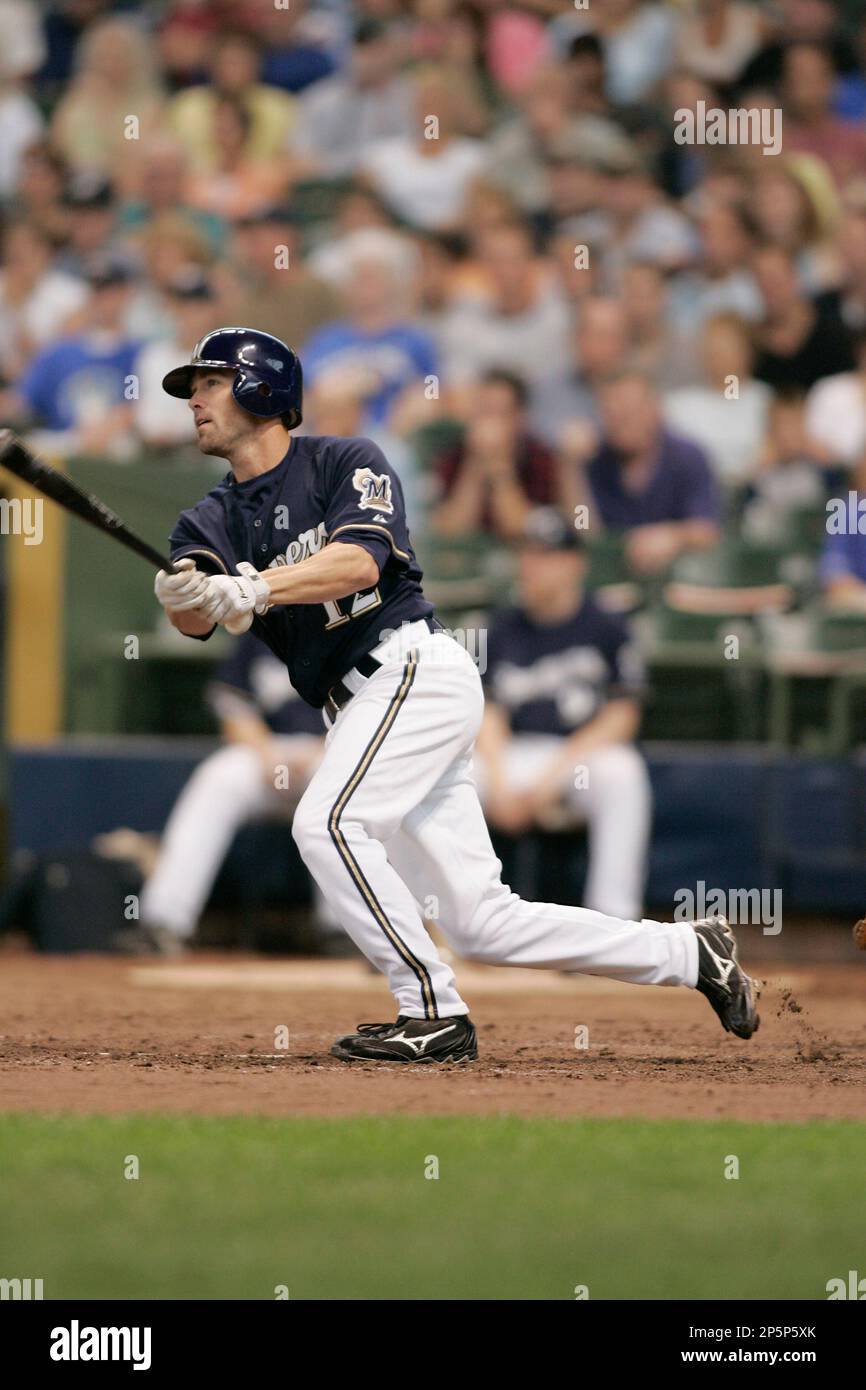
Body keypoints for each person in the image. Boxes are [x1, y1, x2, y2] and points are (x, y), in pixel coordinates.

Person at [150, 325, 760, 1063]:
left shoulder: (345, 460)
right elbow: (192, 618)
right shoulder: (209, 516)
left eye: (210, 383)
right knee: (482, 922)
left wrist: (252, 585)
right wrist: (184, 592)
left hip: (411, 672)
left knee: (329, 825)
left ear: (261, 389)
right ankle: (690, 952)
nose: (196, 401)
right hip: (357, 708)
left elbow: (359, 562)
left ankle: (431, 1009)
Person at [475, 508, 651, 922]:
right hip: (511, 757)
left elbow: (622, 716)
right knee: (440, 775)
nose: (531, 566)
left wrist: (548, 783)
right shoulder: (499, 627)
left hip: (577, 760)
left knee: (623, 772)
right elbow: (486, 713)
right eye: (527, 554)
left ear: (575, 563)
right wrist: (500, 784)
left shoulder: (608, 625)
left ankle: (615, 921)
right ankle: (432, 926)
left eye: (546, 556)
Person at [125, 630, 335, 955]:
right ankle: (165, 922)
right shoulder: (262, 622)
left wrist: (320, 749)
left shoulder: (351, 619)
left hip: (333, 749)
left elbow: (375, 708)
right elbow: (233, 709)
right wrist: (267, 754)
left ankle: (344, 929)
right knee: (217, 778)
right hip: (266, 749)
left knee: (347, 783)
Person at [577, 371, 722, 575]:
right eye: (611, 414)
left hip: (677, 577)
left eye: (629, 412)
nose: (620, 423)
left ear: (655, 409)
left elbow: (707, 531)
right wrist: (570, 467)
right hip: (611, 576)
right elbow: (583, 529)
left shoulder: (688, 456)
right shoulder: (594, 458)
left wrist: (673, 536)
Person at [431, 370, 558, 539]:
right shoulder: (452, 456)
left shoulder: (541, 460)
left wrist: (499, 466)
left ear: (519, 418)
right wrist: (474, 464)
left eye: (498, 413)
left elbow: (522, 530)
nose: (488, 422)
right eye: (483, 411)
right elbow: (452, 531)